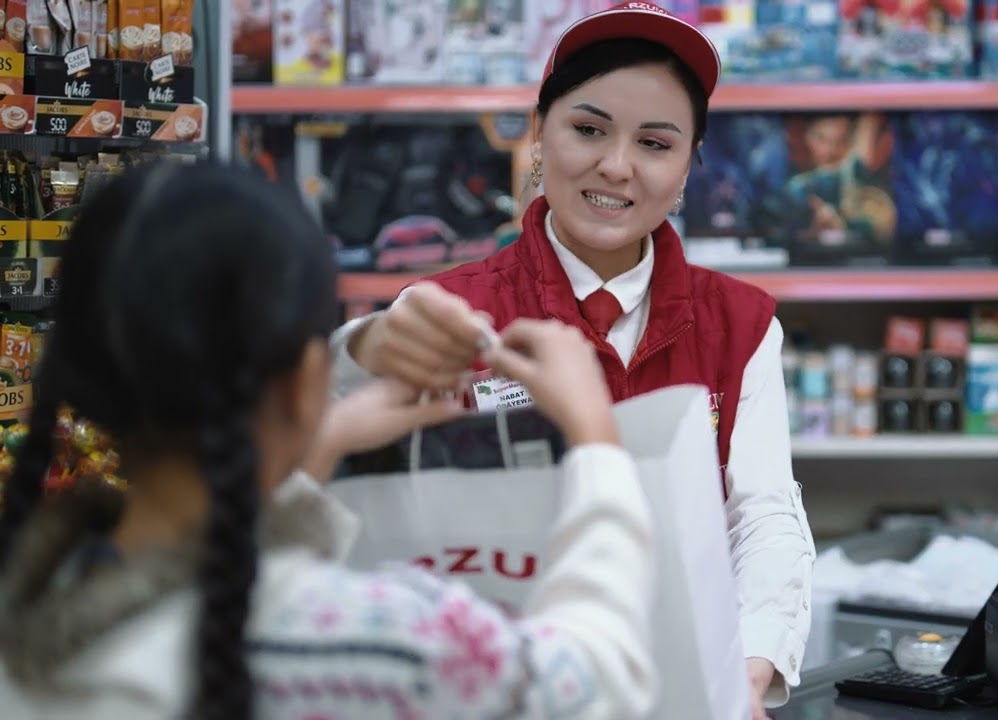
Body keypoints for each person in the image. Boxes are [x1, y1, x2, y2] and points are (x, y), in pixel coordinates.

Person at [0, 162, 659, 719]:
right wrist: (595, 436)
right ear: (306, 382)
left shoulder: (36, 609)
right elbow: (594, 680)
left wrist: (319, 445)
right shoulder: (385, 643)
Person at [332, 3, 816, 714]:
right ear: (538, 133)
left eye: (655, 144)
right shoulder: (444, 312)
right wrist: (361, 349)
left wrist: (747, 661)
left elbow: (763, 512)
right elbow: (332, 474)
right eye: (588, 129)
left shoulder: (739, 323)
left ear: (687, 168)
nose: (615, 167)